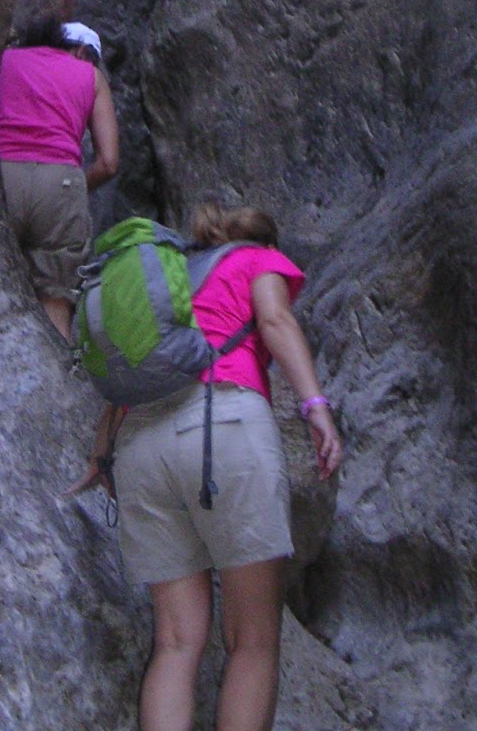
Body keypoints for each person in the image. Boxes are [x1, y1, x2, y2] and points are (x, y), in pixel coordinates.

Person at [71, 203, 343, 731]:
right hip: (222, 426)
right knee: (252, 642)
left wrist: (100, 455)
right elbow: (274, 318)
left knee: (174, 642)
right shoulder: (256, 258)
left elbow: (130, 376)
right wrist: (315, 407)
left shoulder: (170, 281)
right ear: (261, 237)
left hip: (140, 447)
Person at [0, 17, 119, 341]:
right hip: (60, 184)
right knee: (56, 301)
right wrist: (77, 187)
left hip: (1, 179)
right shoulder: (91, 77)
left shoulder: (6, 59)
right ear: (81, 51)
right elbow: (108, 162)